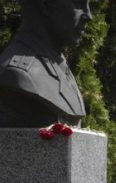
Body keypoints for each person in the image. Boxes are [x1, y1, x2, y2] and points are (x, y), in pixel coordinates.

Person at [0, 0, 91, 128]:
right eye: (78, 3)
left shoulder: (59, 65)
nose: (89, 16)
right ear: (45, 5)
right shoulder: (17, 74)